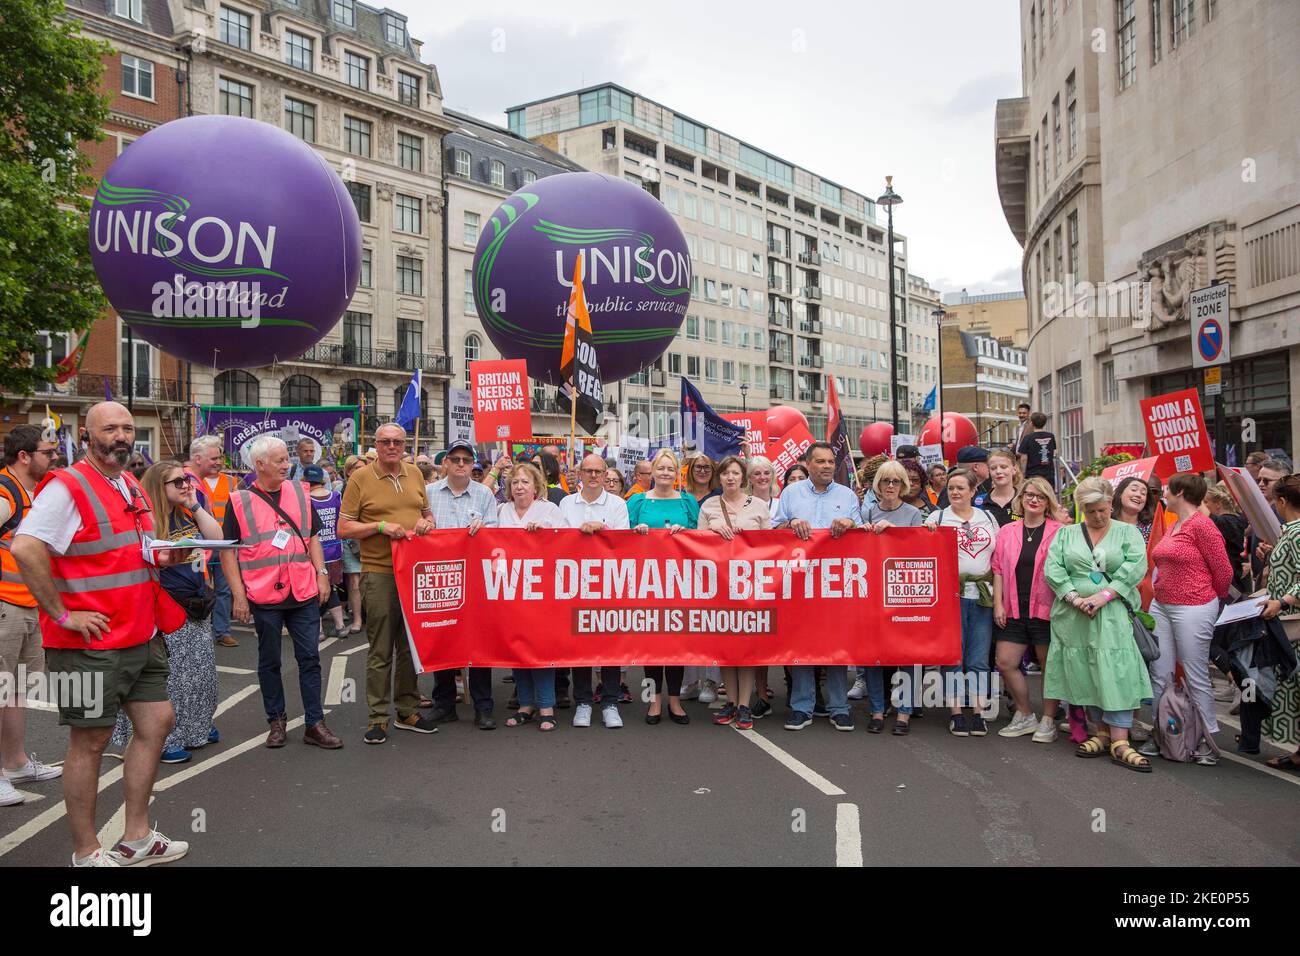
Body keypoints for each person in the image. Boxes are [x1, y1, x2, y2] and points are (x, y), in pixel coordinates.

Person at [12, 401, 190, 866]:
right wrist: (63, 613)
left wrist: (162, 556)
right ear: (87, 435)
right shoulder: (67, 486)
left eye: (128, 428)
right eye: (110, 428)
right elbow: (26, 547)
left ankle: (136, 837)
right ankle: (86, 850)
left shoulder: (128, 481)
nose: (122, 435)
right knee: (89, 741)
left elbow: (127, 548)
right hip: (86, 643)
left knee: (157, 724)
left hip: (140, 634)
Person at [220, 437, 342, 751]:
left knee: (310, 658)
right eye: (279, 461)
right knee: (269, 660)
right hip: (263, 595)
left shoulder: (300, 493)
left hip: (302, 589)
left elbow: (313, 536)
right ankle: (276, 721)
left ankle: (315, 723)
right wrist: (238, 595)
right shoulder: (239, 501)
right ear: (259, 465)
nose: (287, 465)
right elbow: (229, 554)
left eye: (286, 460)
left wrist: (322, 573)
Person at [112, 461, 222, 763]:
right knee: (171, 677)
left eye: (187, 479)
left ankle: (196, 726)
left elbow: (216, 535)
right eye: (178, 482)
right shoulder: (148, 520)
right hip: (167, 605)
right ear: (159, 487)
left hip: (196, 601)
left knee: (199, 672)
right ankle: (166, 737)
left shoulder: (186, 512)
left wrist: (195, 504)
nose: (186, 485)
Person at [1043, 477, 1153, 773]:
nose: (1098, 516)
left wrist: (1104, 596)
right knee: (1085, 670)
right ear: (1081, 509)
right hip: (1074, 613)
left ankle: (1120, 739)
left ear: (1110, 505)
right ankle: (1100, 732)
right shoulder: (1066, 535)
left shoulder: (1128, 532)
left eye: (1103, 510)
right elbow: (1053, 569)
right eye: (1091, 511)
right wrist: (1075, 598)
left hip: (1112, 611)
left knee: (1116, 670)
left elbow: (1134, 567)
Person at [338, 423, 439, 744]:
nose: (392, 446)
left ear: (405, 444)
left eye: (398, 442)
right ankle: (378, 717)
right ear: (376, 445)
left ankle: (407, 709)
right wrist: (380, 526)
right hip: (379, 571)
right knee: (380, 648)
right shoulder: (360, 478)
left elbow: (428, 515)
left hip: (413, 572)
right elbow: (343, 528)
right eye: (385, 442)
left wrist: (427, 523)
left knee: (410, 646)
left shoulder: (415, 474)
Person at [1142, 473, 1233, 764]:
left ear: (1180, 492)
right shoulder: (1174, 525)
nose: (1162, 494)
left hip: (1193, 606)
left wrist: (1207, 598)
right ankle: (1164, 734)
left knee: (1195, 675)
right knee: (1160, 674)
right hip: (1163, 606)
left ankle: (1206, 741)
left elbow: (1224, 571)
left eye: (1167, 490)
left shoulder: (1202, 525)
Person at [774, 442, 861, 731]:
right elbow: (774, 530)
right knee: (802, 644)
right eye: (820, 461)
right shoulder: (790, 493)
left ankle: (839, 707)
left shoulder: (847, 495)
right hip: (800, 582)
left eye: (830, 461)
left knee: (835, 645)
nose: (826, 466)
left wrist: (849, 522)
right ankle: (802, 707)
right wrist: (791, 523)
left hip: (836, 584)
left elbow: (862, 534)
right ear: (808, 464)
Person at [0, 425, 63, 806]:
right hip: (5, 605)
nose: (54, 458)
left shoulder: (31, 491)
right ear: (24, 456)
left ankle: (17, 762)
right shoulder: (5, 490)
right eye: (48, 452)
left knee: (16, 692)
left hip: (26, 605)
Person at [424, 438, 500, 728]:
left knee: (479, 641)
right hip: (440, 579)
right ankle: (444, 704)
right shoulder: (428, 493)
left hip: (476, 580)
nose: (459, 464)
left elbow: (496, 532)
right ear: (445, 463)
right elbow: (418, 527)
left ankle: (484, 705)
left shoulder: (484, 495)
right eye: (454, 459)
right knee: (442, 639)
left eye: (465, 460)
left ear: (472, 465)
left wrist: (485, 530)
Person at [699, 456, 771, 730]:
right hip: (719, 586)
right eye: (725, 473)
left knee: (747, 648)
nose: (730, 478)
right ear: (720, 478)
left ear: (744, 477)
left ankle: (744, 705)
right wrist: (713, 530)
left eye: (735, 473)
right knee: (727, 648)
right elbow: (697, 544)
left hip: (750, 586)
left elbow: (771, 546)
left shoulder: (759, 506)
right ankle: (730, 701)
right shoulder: (709, 506)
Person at [925, 469, 999, 736]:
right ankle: (956, 712)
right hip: (950, 598)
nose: (955, 492)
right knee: (953, 657)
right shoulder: (938, 517)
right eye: (951, 488)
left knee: (979, 657)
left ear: (972, 491)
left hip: (982, 596)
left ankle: (978, 713)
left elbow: (998, 558)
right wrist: (929, 531)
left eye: (960, 488)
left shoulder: (988, 518)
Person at [560, 453, 631, 729]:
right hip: (575, 585)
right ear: (579, 474)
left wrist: (603, 528)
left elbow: (623, 541)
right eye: (587, 471)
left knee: (609, 645)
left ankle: (610, 702)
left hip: (607, 584)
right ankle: (584, 702)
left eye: (597, 472)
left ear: (605, 475)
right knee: (580, 646)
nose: (592, 476)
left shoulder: (617, 504)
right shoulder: (567, 503)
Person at [991, 477, 1063, 742]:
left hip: (1047, 608)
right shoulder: (1007, 531)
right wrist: (998, 603)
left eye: (1040, 497)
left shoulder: (1060, 531)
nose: (1033, 500)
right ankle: (1025, 713)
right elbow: (998, 569)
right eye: (1029, 495)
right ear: (1020, 499)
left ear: (1048, 502)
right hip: (1013, 607)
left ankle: (1048, 720)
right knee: (1005, 662)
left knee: (1049, 666)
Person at [497, 463, 564, 732]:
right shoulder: (501, 511)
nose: (520, 486)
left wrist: (545, 535)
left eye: (525, 482)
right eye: (515, 482)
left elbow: (567, 542)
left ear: (536, 487)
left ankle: (546, 706)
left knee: (539, 648)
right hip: (509, 589)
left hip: (541, 590)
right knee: (516, 648)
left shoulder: (550, 511)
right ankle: (525, 704)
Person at [860, 460, 925, 734]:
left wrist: (894, 534)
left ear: (903, 485)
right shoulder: (868, 512)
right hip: (873, 594)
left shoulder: (912, 514)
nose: (890, 486)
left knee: (906, 654)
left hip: (902, 594)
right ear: (877, 485)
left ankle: (904, 712)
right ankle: (876, 709)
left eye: (895, 481)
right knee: (873, 654)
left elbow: (918, 551)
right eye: (885, 481)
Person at [1259, 475, 1300, 769]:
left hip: (1292, 621)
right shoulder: (1292, 532)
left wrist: (1282, 601)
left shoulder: (1297, 533)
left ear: (1283, 502)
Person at [189, 435, 237, 648]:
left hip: (223, 543)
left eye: (220, 458)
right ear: (198, 459)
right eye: (214, 458)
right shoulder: (189, 481)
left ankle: (222, 631)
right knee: (201, 587)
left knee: (223, 590)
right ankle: (202, 632)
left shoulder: (231, 481)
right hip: (201, 546)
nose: (219, 462)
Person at [305, 464, 346, 641]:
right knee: (331, 589)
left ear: (305, 481)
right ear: (322, 479)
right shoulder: (336, 496)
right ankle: (340, 625)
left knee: (315, 591)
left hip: (314, 554)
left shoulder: (305, 500)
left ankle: (319, 630)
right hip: (335, 552)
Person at [1112, 475, 1164, 612]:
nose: (1138, 495)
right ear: (1120, 493)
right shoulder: (1104, 524)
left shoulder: (1152, 527)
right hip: (1109, 592)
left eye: (1143, 493)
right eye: (1134, 489)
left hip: (1144, 595)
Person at [1202, 482, 1251, 595]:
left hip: (1233, 579)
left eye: (1206, 502)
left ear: (1218, 504)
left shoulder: (1226, 522)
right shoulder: (1235, 519)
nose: (1204, 505)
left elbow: (1204, 513)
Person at [982, 448, 1021, 527]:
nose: (998, 471)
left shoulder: (1024, 500)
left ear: (1014, 469)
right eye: (993, 468)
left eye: (1003, 467)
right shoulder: (979, 502)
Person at [1017, 412, 1057, 489]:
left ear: (1031, 423)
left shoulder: (1028, 438)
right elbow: (1053, 452)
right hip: (1049, 473)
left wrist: (1023, 474)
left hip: (1033, 474)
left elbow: (1024, 458)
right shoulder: (1051, 436)